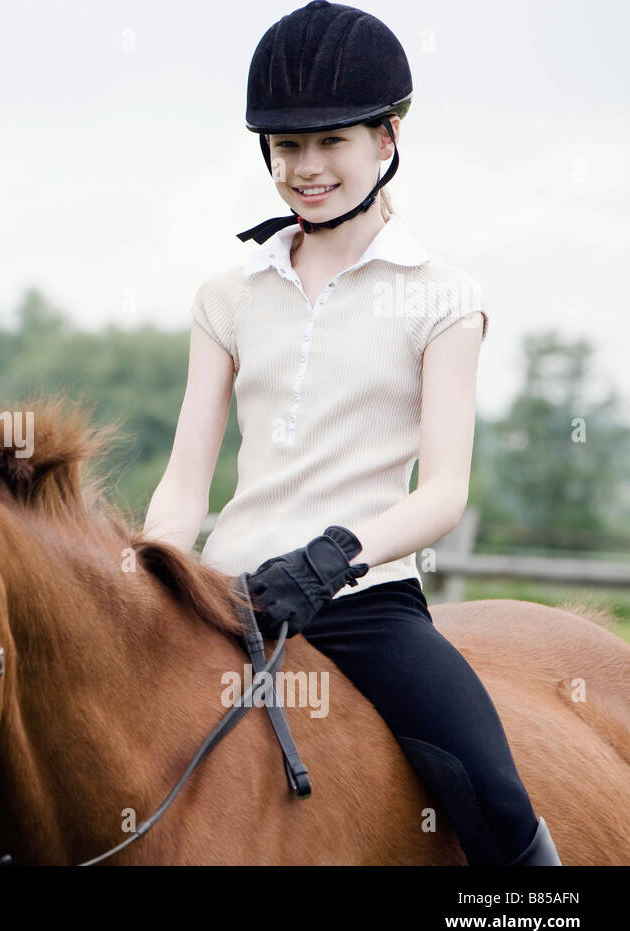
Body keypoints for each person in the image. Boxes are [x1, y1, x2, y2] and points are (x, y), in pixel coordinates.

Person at [143, 0, 560, 865]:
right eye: (287, 147)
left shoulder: (444, 296)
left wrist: (333, 556)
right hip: (228, 601)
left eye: (331, 141)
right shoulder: (227, 296)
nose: (306, 168)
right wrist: (147, 574)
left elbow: (444, 490)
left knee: (491, 786)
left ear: (388, 138)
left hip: (364, 603)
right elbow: (187, 482)